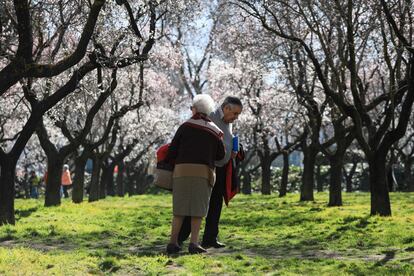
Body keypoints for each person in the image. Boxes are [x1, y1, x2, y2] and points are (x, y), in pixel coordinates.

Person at [178, 96, 243, 249]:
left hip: (222, 168)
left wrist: (233, 151)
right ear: (226, 108)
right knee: (198, 204)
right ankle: (180, 237)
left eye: (238, 114)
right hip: (207, 167)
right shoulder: (210, 116)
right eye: (234, 113)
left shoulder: (228, 122)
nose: (236, 117)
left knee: (216, 204)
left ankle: (210, 238)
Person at [164, 94, 225, 254]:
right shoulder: (215, 131)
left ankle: (172, 243)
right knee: (198, 210)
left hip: (182, 171)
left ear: (195, 109)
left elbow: (172, 151)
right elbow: (220, 155)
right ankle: (194, 243)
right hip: (203, 173)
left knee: (180, 209)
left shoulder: (185, 126)